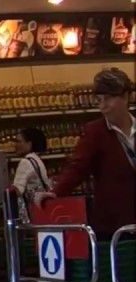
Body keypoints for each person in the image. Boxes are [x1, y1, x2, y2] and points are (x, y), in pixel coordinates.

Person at [33, 68, 135, 238]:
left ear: (125, 97)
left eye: (108, 99)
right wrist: (56, 192)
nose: (103, 107)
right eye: (99, 100)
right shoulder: (95, 132)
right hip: (114, 226)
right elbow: (78, 167)